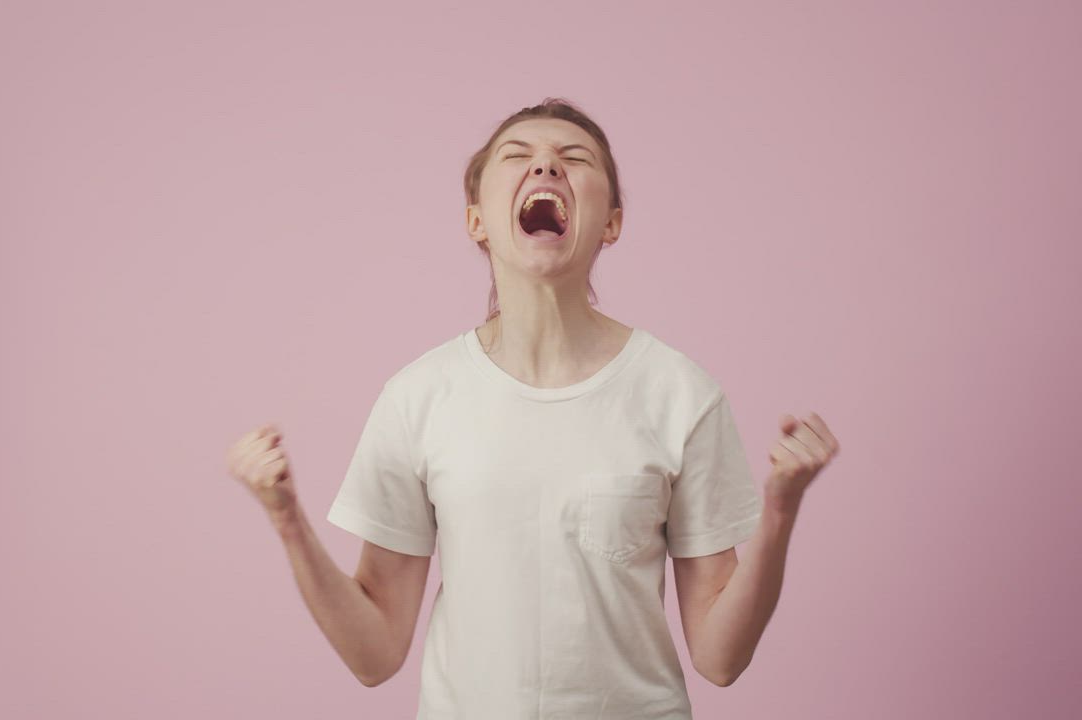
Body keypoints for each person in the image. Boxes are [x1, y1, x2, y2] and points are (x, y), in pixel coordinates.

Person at [228, 97, 840, 719]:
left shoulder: (680, 394)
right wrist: (287, 521)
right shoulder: (418, 396)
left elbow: (720, 657)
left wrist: (781, 513)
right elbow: (374, 654)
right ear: (476, 222)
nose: (545, 167)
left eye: (574, 159)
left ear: (612, 223)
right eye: (517, 156)